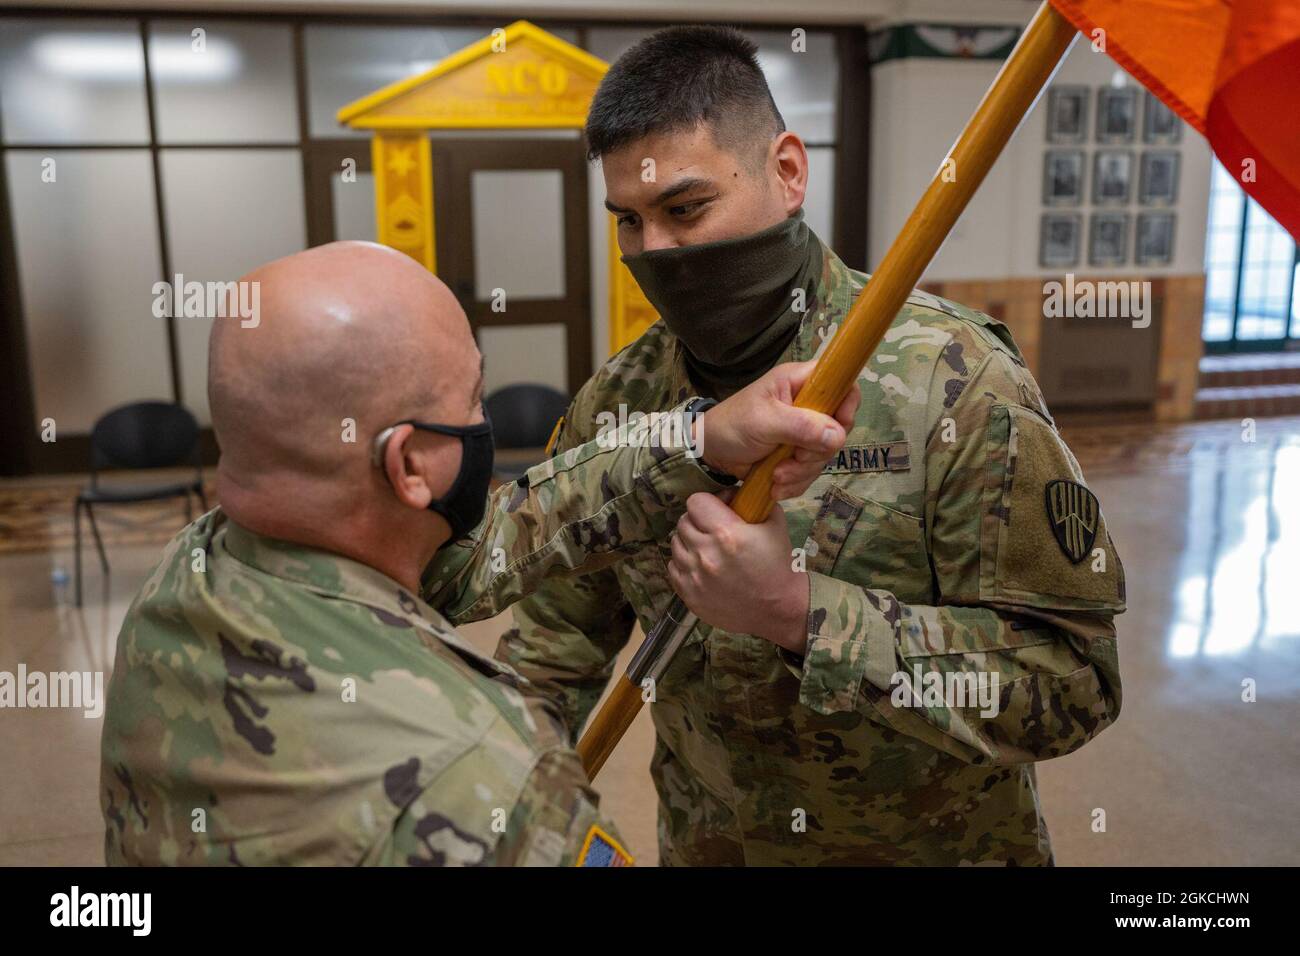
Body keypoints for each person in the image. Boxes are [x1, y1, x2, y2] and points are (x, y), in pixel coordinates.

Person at [497, 26, 1125, 866]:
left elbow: (1072, 685)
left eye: (685, 210)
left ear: (786, 171)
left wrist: (800, 615)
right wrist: (511, 810)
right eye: (630, 223)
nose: (656, 252)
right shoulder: (620, 404)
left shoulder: (956, 381)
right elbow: (553, 649)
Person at [99, 240, 856, 867]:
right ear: (409, 467)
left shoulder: (182, 584)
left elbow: (499, 538)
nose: (484, 424)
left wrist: (698, 440)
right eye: (472, 402)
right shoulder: (491, 778)